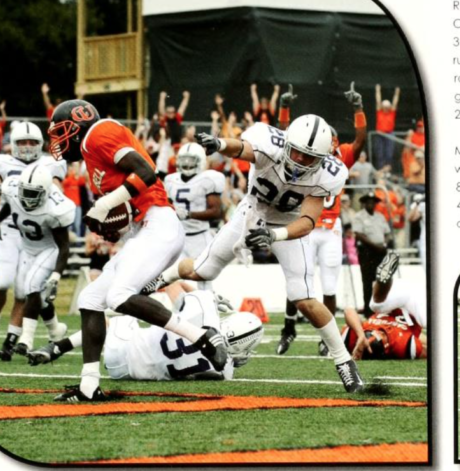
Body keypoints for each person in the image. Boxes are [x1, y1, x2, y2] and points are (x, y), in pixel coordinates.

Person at [145, 114, 366, 393]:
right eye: (296, 151)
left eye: (309, 157)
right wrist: (219, 143)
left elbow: (308, 221)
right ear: (287, 143)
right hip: (252, 211)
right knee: (203, 270)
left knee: (304, 297)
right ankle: (160, 279)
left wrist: (275, 235)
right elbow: (242, 148)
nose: (300, 160)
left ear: (322, 158)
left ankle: (344, 362)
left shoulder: (330, 173)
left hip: (288, 223)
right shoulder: (270, 142)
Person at [46, 99, 228, 402]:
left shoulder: (98, 133)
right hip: (143, 229)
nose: (59, 141)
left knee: (118, 295)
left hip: (159, 222)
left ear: (77, 126)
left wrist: (103, 206)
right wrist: (110, 227)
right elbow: (127, 207)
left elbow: (146, 172)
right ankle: (89, 386)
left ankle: (201, 336)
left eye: (62, 132)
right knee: (90, 299)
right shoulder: (91, 156)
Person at [277, 82, 368, 356]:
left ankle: (327, 338)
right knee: (298, 280)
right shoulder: (304, 156)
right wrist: (284, 108)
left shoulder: (340, 157)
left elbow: (360, 141)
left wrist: (358, 108)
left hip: (330, 229)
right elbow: (282, 138)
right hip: (305, 224)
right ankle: (288, 328)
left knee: (329, 285)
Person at [28, 287, 263, 382]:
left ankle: (57, 346)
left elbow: (177, 287)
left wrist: (210, 297)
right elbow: (224, 366)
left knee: (110, 319)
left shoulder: (204, 313)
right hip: (126, 375)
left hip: (121, 347)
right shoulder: (225, 373)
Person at [0, 121, 68, 357]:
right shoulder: (2, 164)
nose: (27, 146)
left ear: (41, 144)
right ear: (13, 144)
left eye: (32, 142)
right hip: (8, 229)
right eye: (22, 142)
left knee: (23, 290)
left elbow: (58, 193)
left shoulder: (50, 164)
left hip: (35, 233)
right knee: (2, 282)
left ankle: (12, 338)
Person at [0, 164, 73, 355]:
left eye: (33, 194)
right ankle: (55, 330)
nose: (27, 198)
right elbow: (11, 205)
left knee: (31, 286)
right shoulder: (13, 189)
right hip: (27, 249)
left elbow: (64, 246)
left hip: (48, 249)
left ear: (45, 192)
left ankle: (26, 340)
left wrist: (56, 276)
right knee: (30, 294)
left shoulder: (56, 208)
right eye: (25, 192)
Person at [342, 252, 426, 360]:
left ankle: (384, 279)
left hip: (392, 297)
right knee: (426, 322)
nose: (380, 332)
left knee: (375, 305)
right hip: (413, 303)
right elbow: (423, 348)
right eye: (382, 337)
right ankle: (384, 280)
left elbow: (348, 311)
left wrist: (360, 335)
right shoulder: (401, 344)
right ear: (386, 347)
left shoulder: (360, 333)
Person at [164, 143, 224, 289]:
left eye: (191, 160)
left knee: (203, 277)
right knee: (170, 276)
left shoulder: (207, 179)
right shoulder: (171, 180)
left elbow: (216, 212)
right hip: (178, 237)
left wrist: (189, 215)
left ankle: (206, 301)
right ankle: (181, 302)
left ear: (200, 161)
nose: (186, 164)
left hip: (199, 236)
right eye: (184, 160)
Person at [352, 192, 391, 317]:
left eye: (373, 202)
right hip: (367, 251)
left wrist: (384, 244)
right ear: (364, 203)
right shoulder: (359, 216)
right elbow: (359, 234)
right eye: (368, 202)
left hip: (381, 251)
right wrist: (376, 246)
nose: (371, 204)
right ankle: (368, 310)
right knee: (367, 281)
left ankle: (382, 308)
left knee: (382, 280)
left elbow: (387, 233)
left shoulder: (380, 216)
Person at [374, 84, 400, 169]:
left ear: (389, 107)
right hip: (380, 134)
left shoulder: (391, 112)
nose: (385, 108)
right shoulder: (380, 112)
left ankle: (388, 168)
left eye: (387, 107)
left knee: (389, 153)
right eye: (384, 106)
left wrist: (397, 93)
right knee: (380, 153)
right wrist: (378, 90)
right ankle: (381, 169)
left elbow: (395, 102)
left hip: (389, 133)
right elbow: (378, 101)